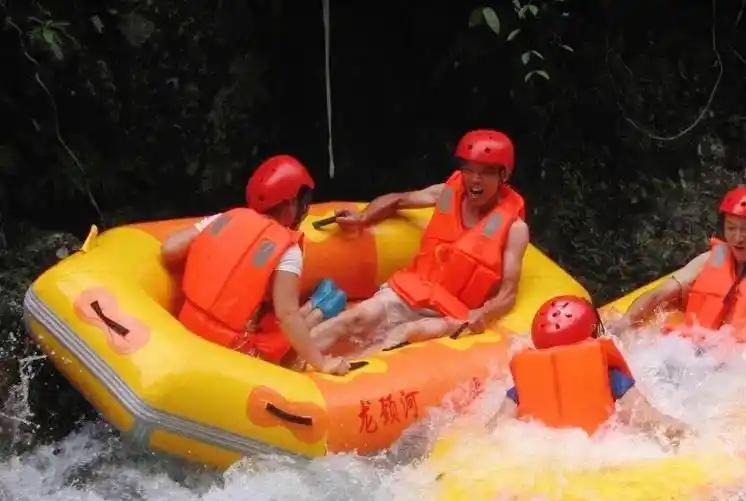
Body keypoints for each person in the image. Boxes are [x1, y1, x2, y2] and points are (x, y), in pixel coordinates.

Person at [311, 130, 530, 356]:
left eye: (485, 173)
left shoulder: (515, 229)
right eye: (469, 170)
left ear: (503, 176)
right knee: (355, 318)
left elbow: (508, 293)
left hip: (453, 312)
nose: (474, 180)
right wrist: (363, 218)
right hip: (413, 288)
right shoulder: (446, 193)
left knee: (407, 334)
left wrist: (483, 314)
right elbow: (398, 200)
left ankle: (346, 377)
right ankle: (294, 362)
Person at [161, 155, 350, 374]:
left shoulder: (224, 218)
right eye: (302, 201)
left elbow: (170, 249)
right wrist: (323, 363)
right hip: (232, 351)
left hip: (188, 326)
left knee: (270, 316)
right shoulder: (288, 249)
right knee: (285, 335)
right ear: (289, 203)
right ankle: (318, 309)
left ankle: (317, 304)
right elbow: (287, 315)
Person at [606, 186, 746, 349]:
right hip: (691, 352)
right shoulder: (711, 260)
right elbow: (660, 293)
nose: (737, 238)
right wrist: (624, 324)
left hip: (743, 366)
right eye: (731, 228)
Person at [489, 295, 690, 442]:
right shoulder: (611, 378)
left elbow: (495, 430)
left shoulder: (523, 386)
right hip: (595, 452)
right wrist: (689, 433)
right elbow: (649, 420)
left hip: (543, 455)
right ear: (592, 333)